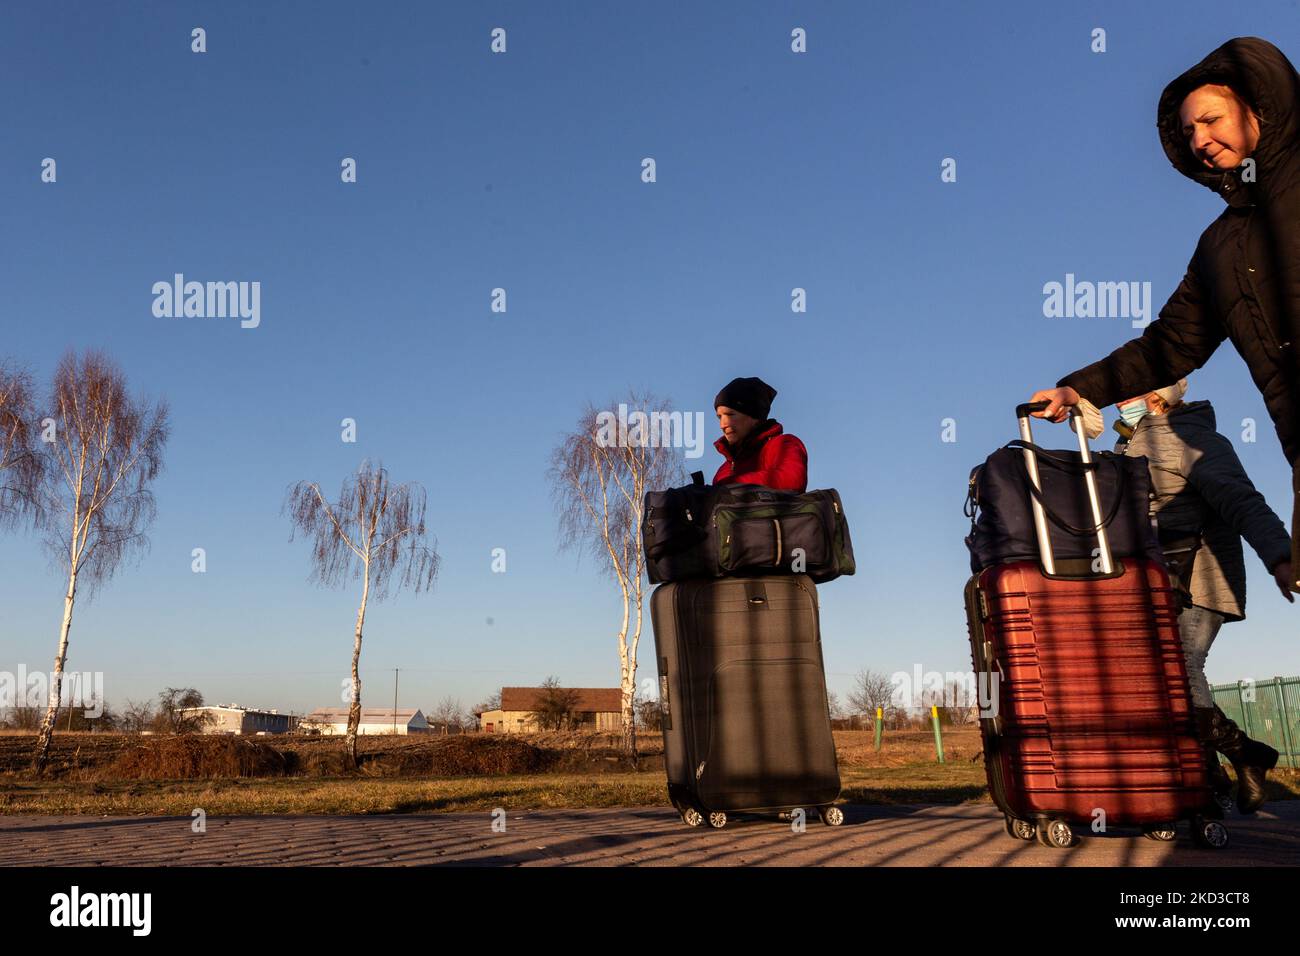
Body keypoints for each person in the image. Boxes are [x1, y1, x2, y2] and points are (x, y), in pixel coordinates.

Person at [1030, 37, 1300, 595]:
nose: (1200, 140)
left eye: (1211, 119)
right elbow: (1169, 345)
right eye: (1187, 133)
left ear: (1257, 108)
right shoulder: (1220, 247)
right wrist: (1077, 390)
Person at [1090, 379, 1292, 813]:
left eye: (1129, 393)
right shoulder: (1130, 444)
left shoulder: (1193, 437)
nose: (1119, 402)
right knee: (1163, 678)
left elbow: (1241, 499)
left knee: (1181, 669)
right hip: (1160, 582)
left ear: (1158, 397)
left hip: (1200, 577)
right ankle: (1222, 772)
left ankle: (1235, 760)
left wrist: (1281, 555)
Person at [712, 376, 808, 493]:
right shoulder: (723, 471)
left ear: (755, 417)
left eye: (730, 414)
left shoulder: (784, 444)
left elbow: (793, 480)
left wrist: (730, 484)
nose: (723, 424)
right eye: (719, 417)